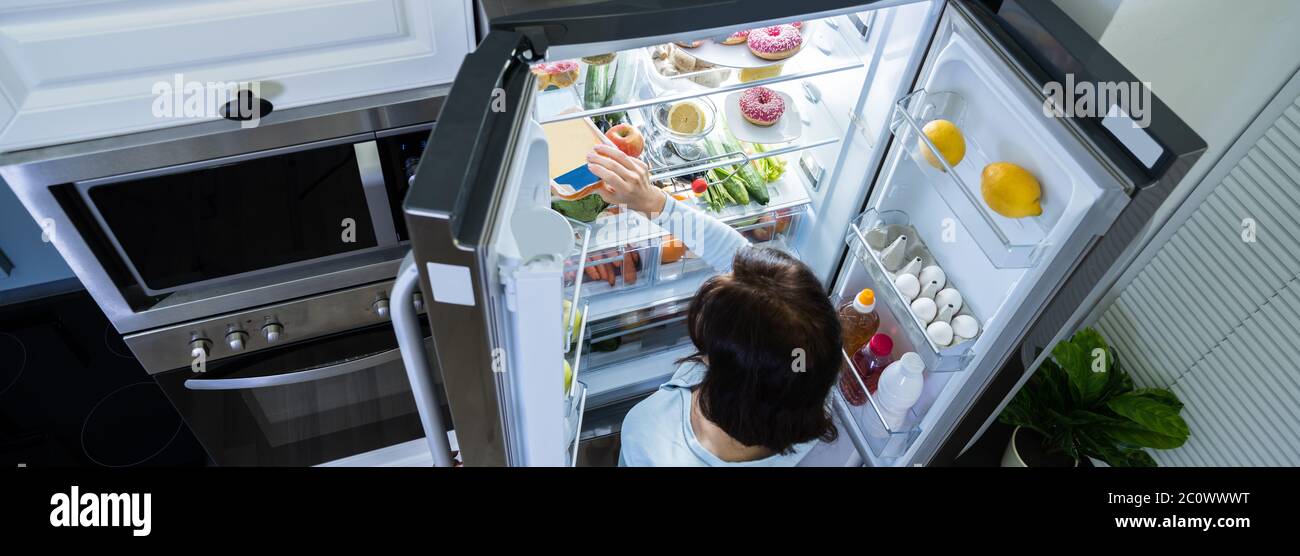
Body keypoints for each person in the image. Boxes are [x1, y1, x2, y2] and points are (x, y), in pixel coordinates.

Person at [584, 144, 842, 467]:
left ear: (721, 373)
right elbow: (736, 254)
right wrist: (655, 204)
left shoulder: (648, 435)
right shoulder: (803, 389)